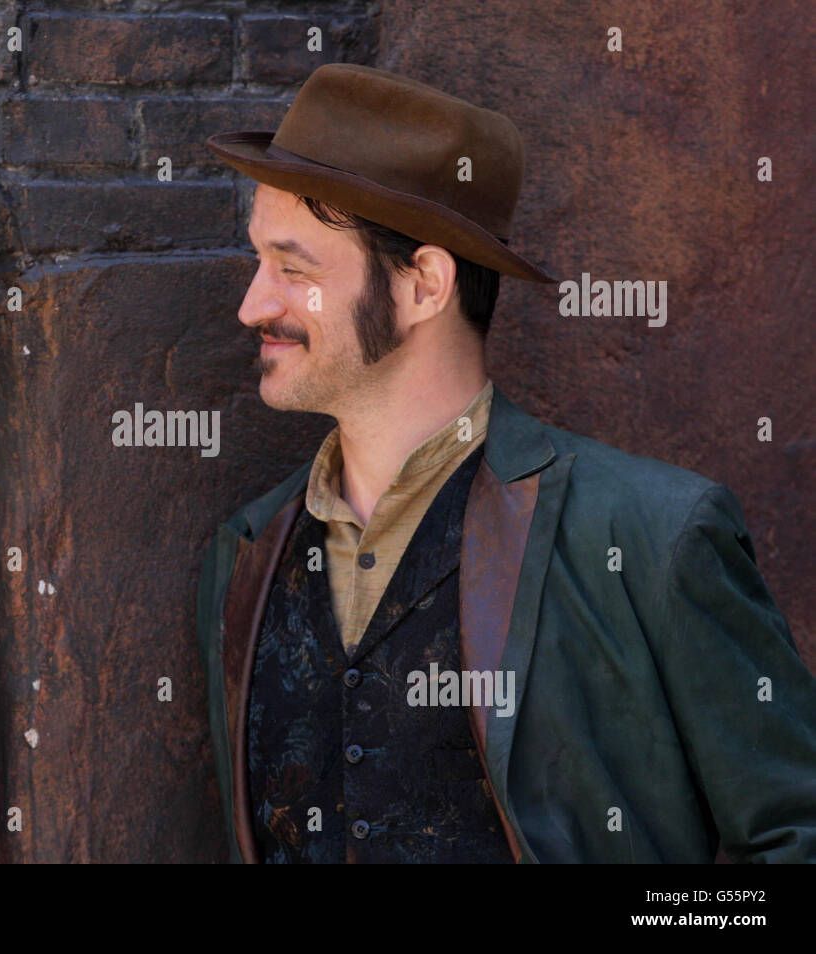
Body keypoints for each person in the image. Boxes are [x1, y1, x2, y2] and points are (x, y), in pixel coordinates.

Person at [195, 64, 816, 863]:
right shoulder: (247, 553)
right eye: (258, 262)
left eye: (294, 269)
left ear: (424, 283)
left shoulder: (651, 539)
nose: (252, 305)